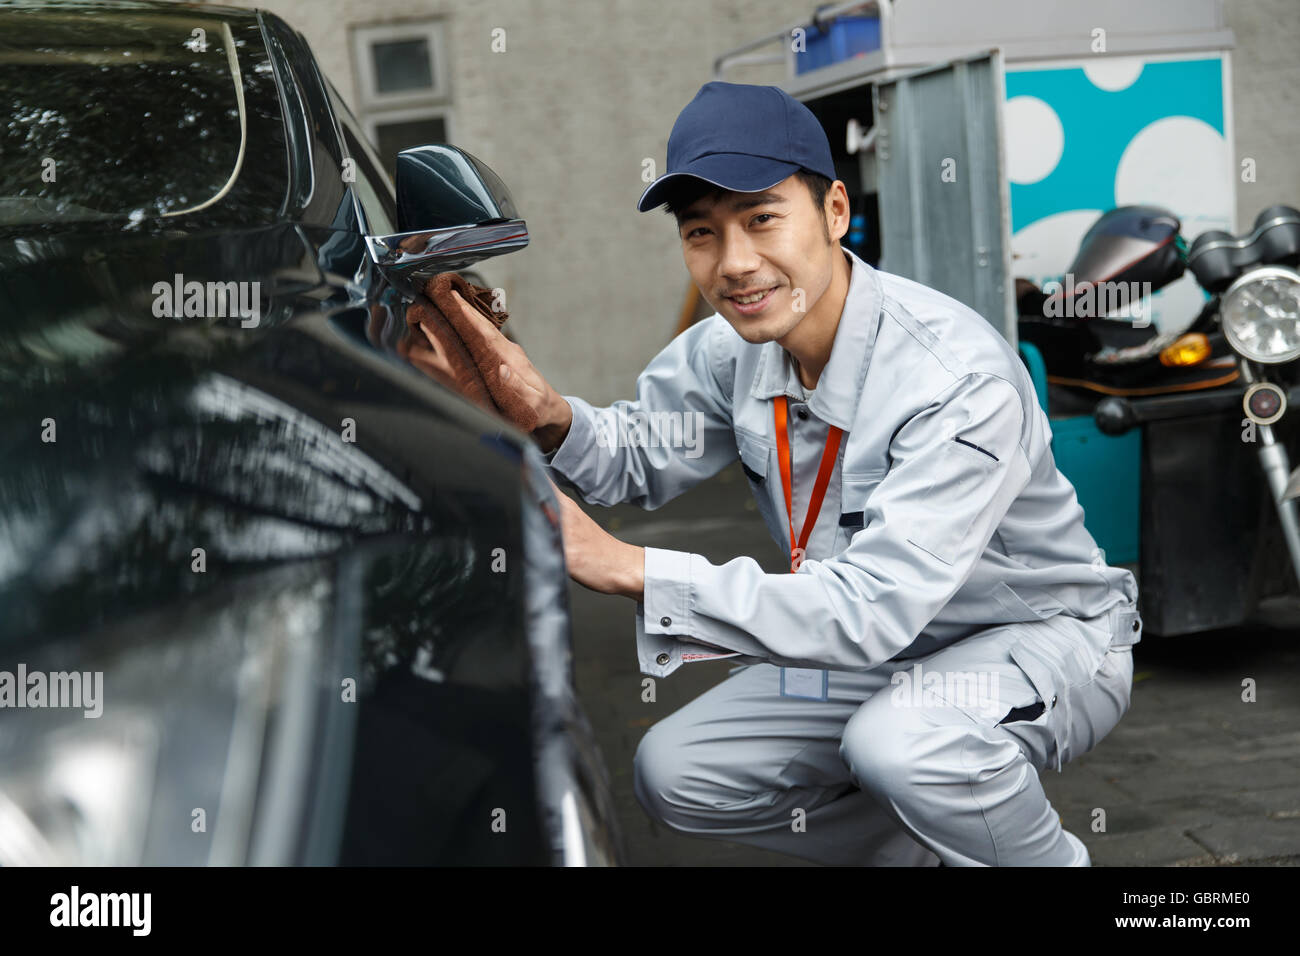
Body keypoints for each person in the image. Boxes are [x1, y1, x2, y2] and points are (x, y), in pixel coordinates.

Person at [449, 81, 1142, 866]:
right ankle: (930, 850)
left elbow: (871, 609)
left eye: (762, 219)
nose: (735, 263)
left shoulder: (953, 378)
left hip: (1038, 638)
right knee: (676, 773)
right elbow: (635, 456)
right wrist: (539, 410)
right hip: (880, 651)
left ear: (836, 212)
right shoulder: (730, 349)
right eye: (701, 232)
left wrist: (629, 567)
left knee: (906, 746)